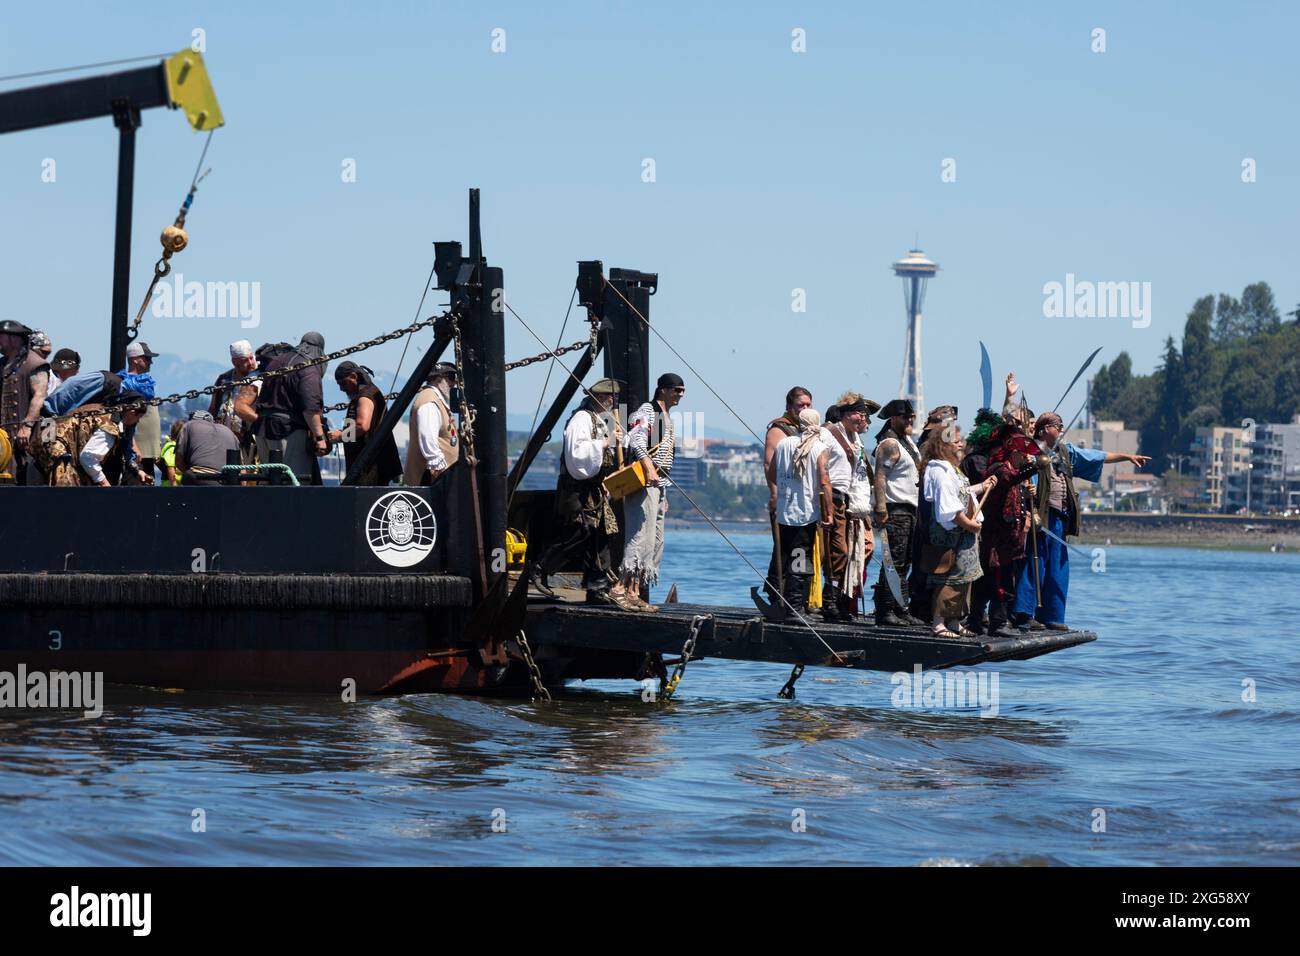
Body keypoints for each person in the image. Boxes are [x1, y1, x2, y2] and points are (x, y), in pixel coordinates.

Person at [1012, 411, 1150, 631]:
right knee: (1035, 563)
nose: (1062, 429)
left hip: (1060, 518)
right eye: (1058, 425)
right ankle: (1024, 613)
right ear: (1046, 428)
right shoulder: (1029, 451)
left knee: (1059, 567)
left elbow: (1097, 455)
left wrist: (1127, 456)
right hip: (1040, 515)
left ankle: (1052, 616)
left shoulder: (1066, 453)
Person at [530, 379, 631, 608]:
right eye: (610, 398)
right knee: (579, 532)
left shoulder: (600, 421)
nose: (613, 402)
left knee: (600, 536)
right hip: (576, 488)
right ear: (601, 398)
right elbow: (577, 454)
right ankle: (540, 568)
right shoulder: (581, 419)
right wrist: (605, 443)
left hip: (594, 487)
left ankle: (597, 587)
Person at [613, 372, 685, 611]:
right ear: (663, 389)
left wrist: (664, 491)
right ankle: (619, 589)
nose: (680, 395)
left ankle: (635, 591)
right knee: (640, 535)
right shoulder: (647, 411)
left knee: (655, 540)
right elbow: (637, 441)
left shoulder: (667, 417)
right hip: (645, 480)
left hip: (659, 484)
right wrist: (649, 470)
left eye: (682, 391)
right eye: (677, 390)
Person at [920, 420, 997, 638]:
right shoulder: (941, 471)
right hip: (952, 534)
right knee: (949, 579)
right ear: (944, 445)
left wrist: (982, 487)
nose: (961, 444)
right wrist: (968, 524)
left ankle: (953, 620)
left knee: (964, 579)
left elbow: (960, 492)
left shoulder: (951, 469)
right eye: (956, 442)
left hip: (962, 534)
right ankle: (939, 624)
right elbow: (950, 507)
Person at [969, 427, 1040, 636]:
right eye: (1023, 453)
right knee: (999, 580)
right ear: (1013, 452)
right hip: (997, 538)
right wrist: (1033, 468)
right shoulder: (1000, 468)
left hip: (1008, 539)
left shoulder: (1011, 469)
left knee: (994, 579)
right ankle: (997, 623)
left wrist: (1027, 491)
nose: (1026, 457)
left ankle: (978, 620)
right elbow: (1009, 479)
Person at [767, 407, 833, 619]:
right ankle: (795, 606)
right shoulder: (819, 447)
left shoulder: (784, 443)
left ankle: (786, 601)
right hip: (805, 513)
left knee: (787, 558)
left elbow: (773, 473)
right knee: (801, 560)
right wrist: (828, 512)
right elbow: (824, 481)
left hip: (785, 511)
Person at [819, 392, 879, 621]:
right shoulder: (829, 433)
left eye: (864, 415)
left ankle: (837, 600)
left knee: (842, 553)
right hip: (828, 496)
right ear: (844, 414)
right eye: (859, 413)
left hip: (844, 499)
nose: (863, 419)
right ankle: (828, 601)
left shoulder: (854, 439)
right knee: (835, 551)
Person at [871, 398, 923, 626]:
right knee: (893, 561)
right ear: (894, 419)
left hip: (911, 509)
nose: (910, 420)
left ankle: (901, 607)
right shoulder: (889, 444)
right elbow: (880, 476)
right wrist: (881, 508)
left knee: (905, 562)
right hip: (896, 508)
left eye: (911, 417)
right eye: (905, 417)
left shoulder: (907, 442)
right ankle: (885, 610)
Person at [254, 332, 327, 485]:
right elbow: (310, 408)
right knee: (294, 482)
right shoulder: (309, 367)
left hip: (263, 428)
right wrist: (320, 438)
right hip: (288, 431)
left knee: (269, 481)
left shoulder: (277, 361)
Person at [762, 386, 813, 607]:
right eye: (801, 405)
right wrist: (774, 494)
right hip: (785, 500)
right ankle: (777, 592)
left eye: (808, 405)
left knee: (802, 551)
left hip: (805, 502)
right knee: (783, 549)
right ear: (789, 407)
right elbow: (768, 464)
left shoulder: (807, 430)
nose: (805, 409)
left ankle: (798, 595)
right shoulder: (778, 429)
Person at [329, 361, 401, 486]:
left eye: (343, 383)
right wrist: (342, 433)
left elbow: (362, 426)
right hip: (361, 465)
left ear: (354, 377)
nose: (341, 388)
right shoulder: (358, 398)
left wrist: (339, 437)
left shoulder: (365, 396)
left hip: (368, 468)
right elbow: (353, 429)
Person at [0, 320, 50, 485]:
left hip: (25, 437)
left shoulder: (34, 363)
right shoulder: (3, 364)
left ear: (14, 339)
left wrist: (27, 426)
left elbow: (39, 395)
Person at [404, 362, 459, 486]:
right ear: (439, 379)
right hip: (432, 477)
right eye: (450, 377)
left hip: (441, 475)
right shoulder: (429, 402)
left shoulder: (436, 400)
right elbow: (427, 437)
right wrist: (439, 468)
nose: (453, 383)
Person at [78, 391, 148, 487]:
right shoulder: (109, 427)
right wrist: (103, 482)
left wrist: (138, 471)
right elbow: (87, 457)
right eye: (139, 417)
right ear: (131, 411)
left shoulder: (119, 421)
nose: (138, 421)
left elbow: (127, 451)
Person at [175, 409, 241, 485]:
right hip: (225, 482)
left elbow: (178, 461)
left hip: (199, 478)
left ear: (193, 420)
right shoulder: (229, 431)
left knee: (187, 477)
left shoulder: (189, 425)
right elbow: (240, 469)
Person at [209, 340, 260, 439]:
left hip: (253, 436)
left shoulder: (261, 375)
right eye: (245, 360)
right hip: (227, 436)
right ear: (234, 362)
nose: (250, 363)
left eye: (251, 358)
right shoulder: (224, 380)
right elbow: (213, 408)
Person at [160, 419, 184, 486]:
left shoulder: (174, 446)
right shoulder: (172, 448)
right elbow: (170, 468)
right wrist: (174, 485)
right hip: (170, 485)